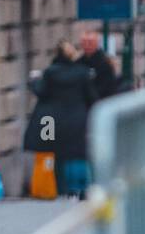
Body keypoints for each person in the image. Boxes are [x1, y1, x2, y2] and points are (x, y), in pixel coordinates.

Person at [23, 41, 97, 197]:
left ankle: (59, 188)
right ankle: (79, 188)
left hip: (52, 121)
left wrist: (34, 81)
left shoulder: (51, 72)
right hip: (77, 118)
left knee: (53, 153)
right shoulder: (83, 72)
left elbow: (42, 92)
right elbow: (91, 97)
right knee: (77, 153)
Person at [78, 30, 119, 99]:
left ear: (96, 43)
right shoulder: (78, 62)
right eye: (84, 42)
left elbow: (108, 87)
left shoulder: (105, 63)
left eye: (90, 42)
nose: (87, 45)